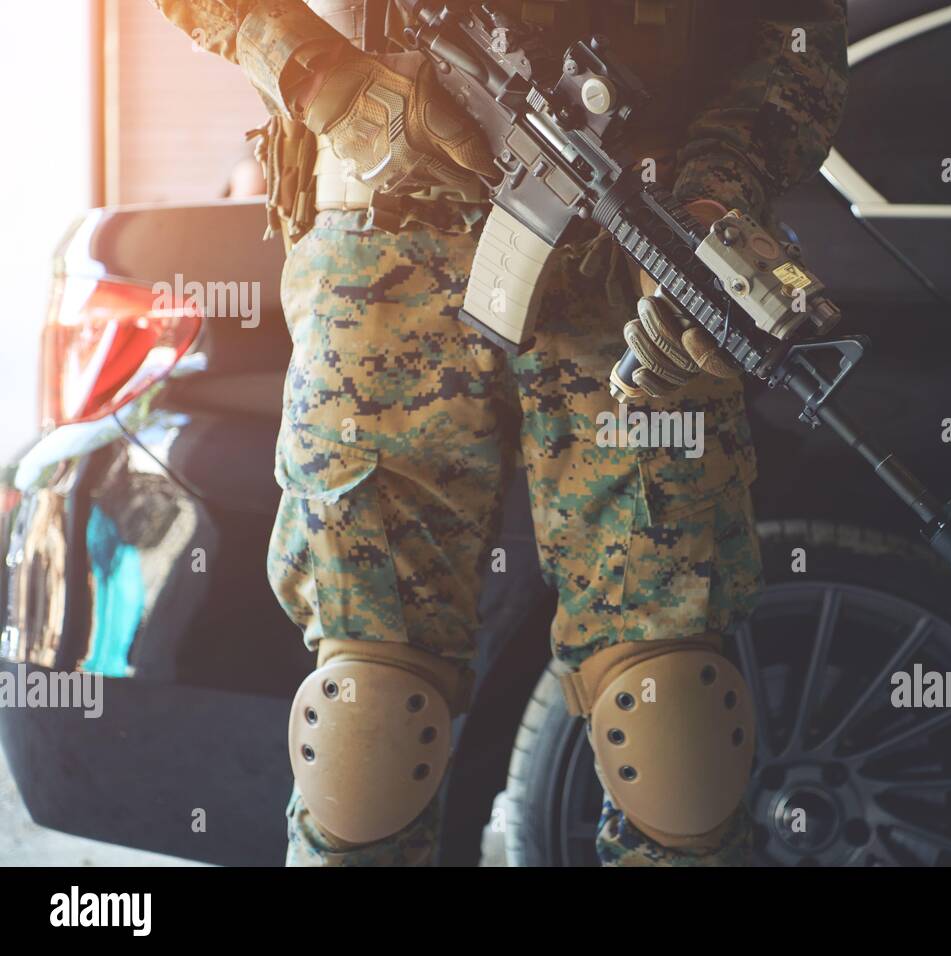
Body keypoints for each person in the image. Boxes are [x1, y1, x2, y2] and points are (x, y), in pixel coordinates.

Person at [149, 0, 847, 866]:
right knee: (369, 720)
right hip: (384, 233)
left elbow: (794, 27)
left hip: (634, 241)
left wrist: (717, 189)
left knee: (673, 718)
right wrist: (317, 73)